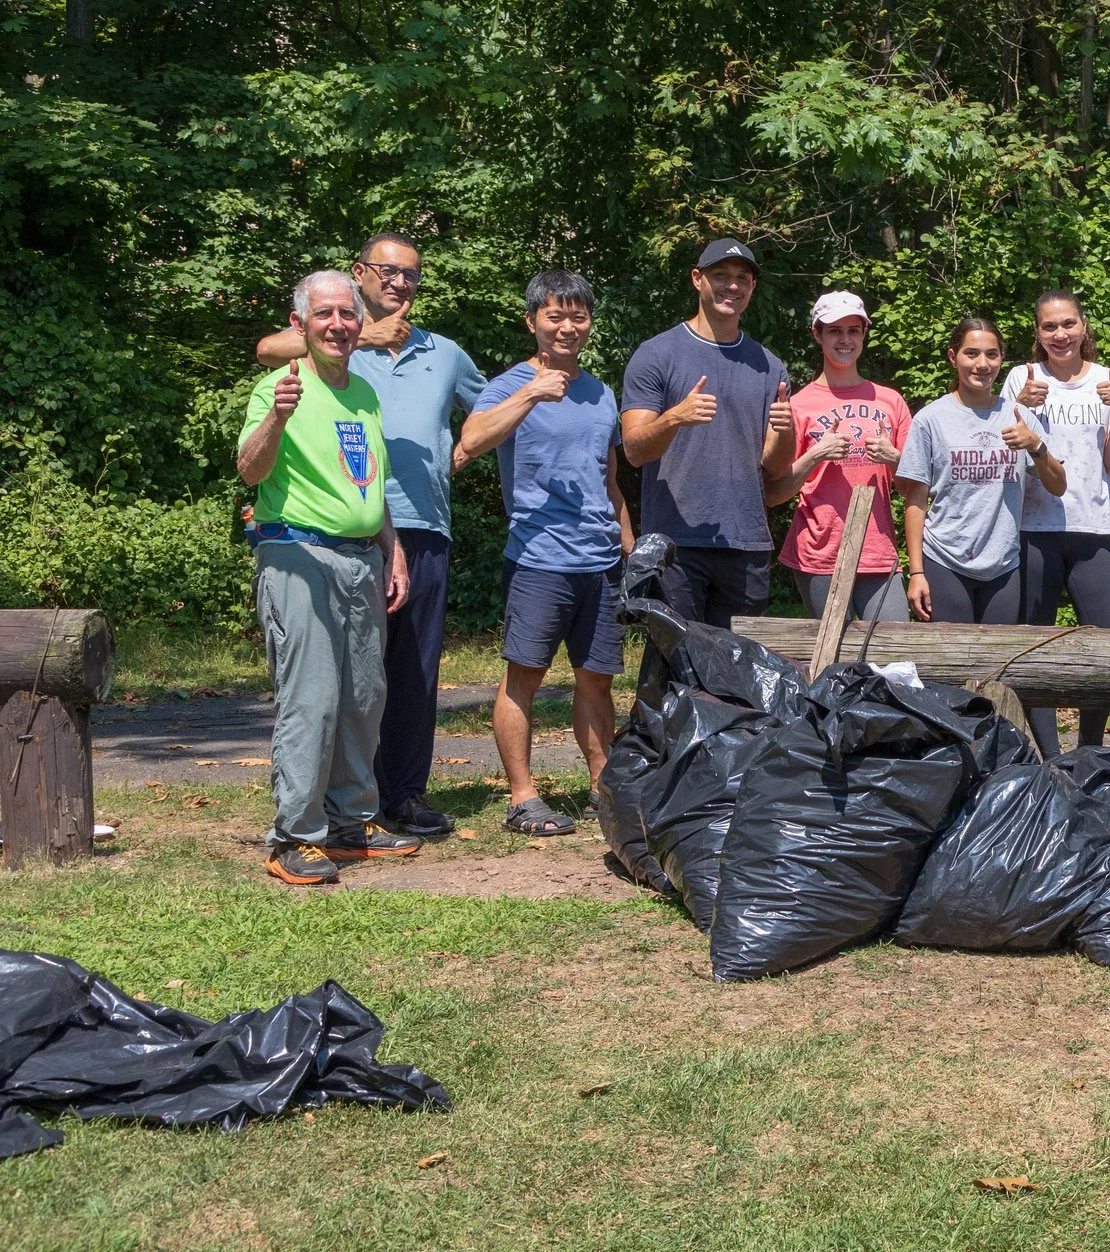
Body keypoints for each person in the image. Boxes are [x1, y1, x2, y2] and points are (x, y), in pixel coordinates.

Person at [255, 231, 482, 842]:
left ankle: (383, 806)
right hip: (312, 541)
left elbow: (477, 418)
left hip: (399, 535)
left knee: (387, 683)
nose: (400, 282)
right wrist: (358, 339)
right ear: (360, 275)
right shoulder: (312, 359)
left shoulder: (417, 364)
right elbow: (264, 356)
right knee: (320, 691)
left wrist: (452, 457)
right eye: (387, 270)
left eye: (411, 274)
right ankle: (310, 823)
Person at [236, 271, 418, 884]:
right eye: (324, 315)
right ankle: (294, 834)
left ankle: (350, 821)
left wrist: (391, 548)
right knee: (310, 698)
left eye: (347, 314)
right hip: (296, 555)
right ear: (300, 325)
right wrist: (277, 422)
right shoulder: (277, 389)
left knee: (364, 697)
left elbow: (369, 483)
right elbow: (248, 470)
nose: (338, 324)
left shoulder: (363, 395)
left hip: (361, 557)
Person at [454, 271, 635, 837]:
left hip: (599, 559)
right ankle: (523, 797)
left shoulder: (602, 393)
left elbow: (608, 481)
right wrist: (532, 391)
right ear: (533, 321)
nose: (567, 326)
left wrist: (629, 549)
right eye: (555, 316)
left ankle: (602, 789)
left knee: (597, 680)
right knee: (523, 677)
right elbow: (470, 442)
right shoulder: (508, 384)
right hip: (537, 557)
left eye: (577, 316)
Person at [620, 238, 795, 625]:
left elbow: (775, 466)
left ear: (751, 288)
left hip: (746, 542)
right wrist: (674, 418)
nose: (732, 286)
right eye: (721, 275)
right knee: (674, 668)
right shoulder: (656, 354)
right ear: (698, 279)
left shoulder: (769, 366)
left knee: (737, 671)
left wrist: (786, 432)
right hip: (675, 545)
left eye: (742, 278)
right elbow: (634, 449)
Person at [1004, 292, 1110, 755]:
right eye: (1048, 327)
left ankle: (1090, 752)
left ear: (1084, 327)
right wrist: (1018, 406)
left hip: (1093, 526)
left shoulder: (1109, 381)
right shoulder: (1021, 378)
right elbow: (1000, 449)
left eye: (1068, 324)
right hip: (1033, 527)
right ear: (1037, 333)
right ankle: (1049, 757)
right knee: (1033, 646)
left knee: (1106, 647)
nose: (1059, 334)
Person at [898, 315, 1066, 623]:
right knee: (951, 660)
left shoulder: (1017, 415)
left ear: (1001, 358)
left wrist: (1036, 446)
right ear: (953, 357)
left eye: (992, 354)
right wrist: (917, 571)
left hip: (1003, 564)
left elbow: (1058, 486)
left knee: (996, 661)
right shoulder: (931, 419)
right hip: (945, 559)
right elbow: (916, 501)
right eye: (971, 354)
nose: (982, 364)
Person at [770, 291, 912, 623]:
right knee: (834, 657)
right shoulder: (799, 405)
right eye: (835, 330)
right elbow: (775, 494)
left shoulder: (890, 401)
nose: (845, 339)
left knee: (894, 652)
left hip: (878, 551)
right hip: (821, 553)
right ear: (817, 335)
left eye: (853, 330)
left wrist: (893, 457)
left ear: (864, 334)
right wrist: (816, 455)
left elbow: (912, 488)